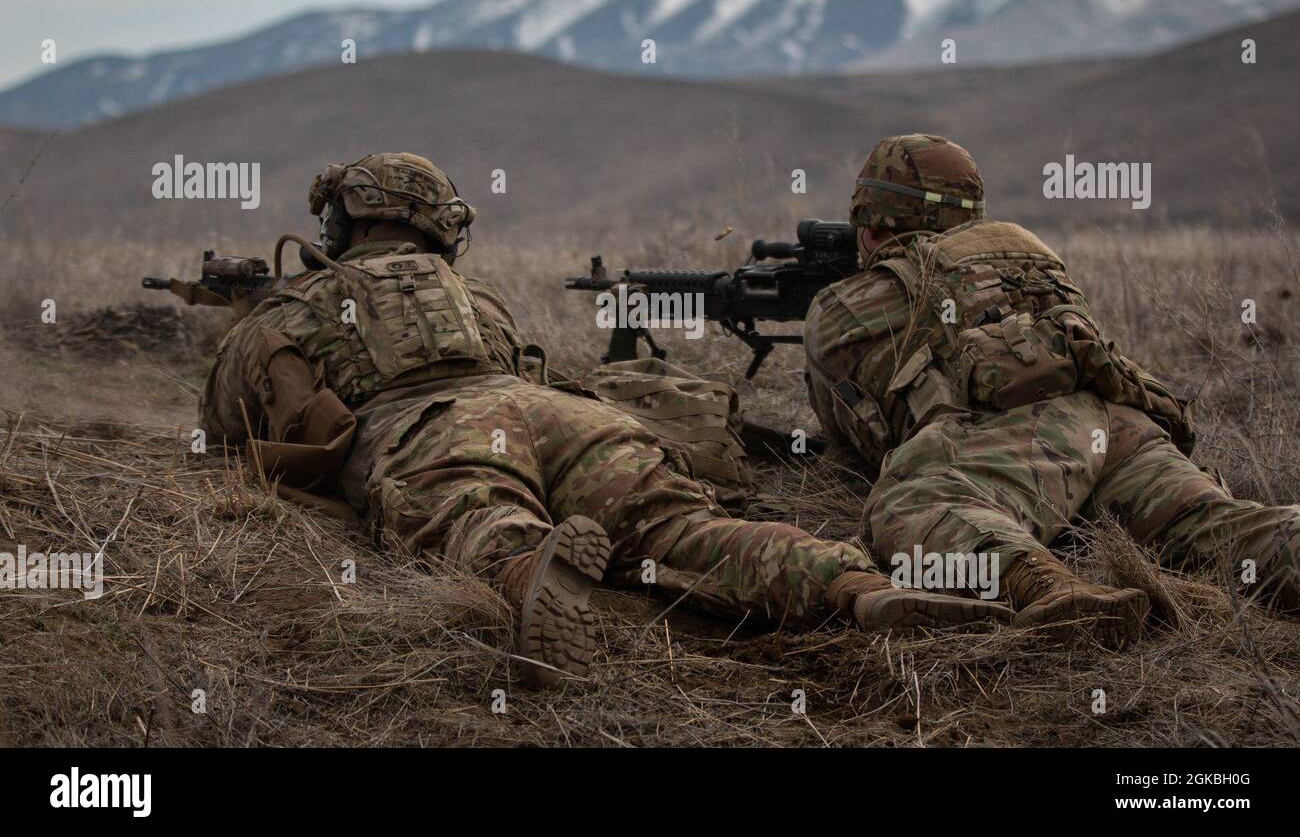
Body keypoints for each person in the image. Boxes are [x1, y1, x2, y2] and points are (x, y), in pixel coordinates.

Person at [201, 152, 1006, 687]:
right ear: (438, 228)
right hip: (562, 414)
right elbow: (518, 370)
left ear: (341, 225)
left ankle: (530, 573)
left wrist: (248, 325)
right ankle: (854, 584)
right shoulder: (476, 299)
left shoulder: (299, 300)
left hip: (427, 425)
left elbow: (230, 417)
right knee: (680, 522)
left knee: (474, 512)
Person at [804, 134, 1299, 647]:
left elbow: (855, 442)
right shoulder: (1033, 259)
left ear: (874, 223)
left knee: (908, 503)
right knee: (1218, 528)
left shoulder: (848, 306)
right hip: (1120, 432)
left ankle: (1050, 588)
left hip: (1016, 446)